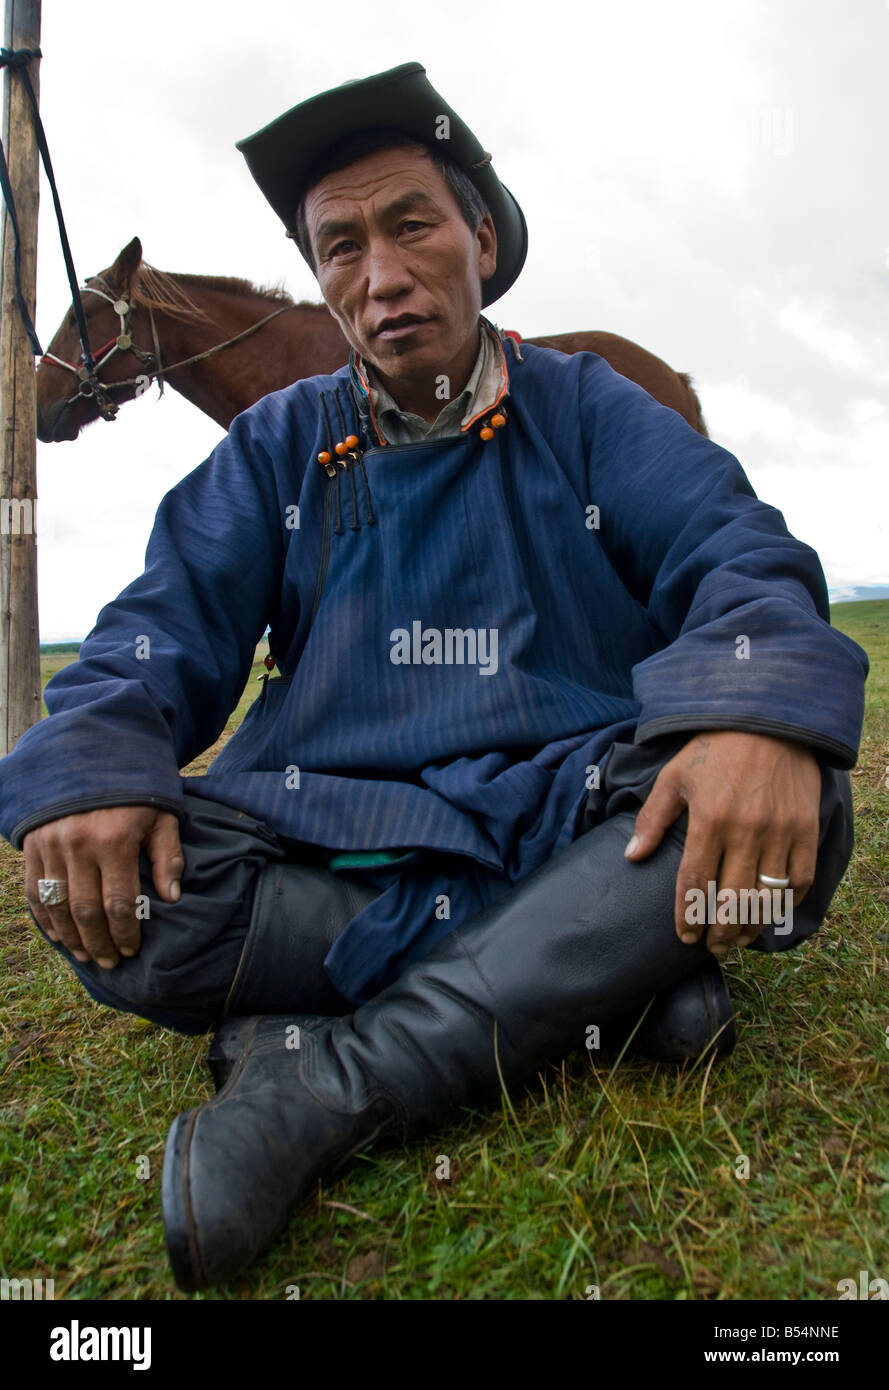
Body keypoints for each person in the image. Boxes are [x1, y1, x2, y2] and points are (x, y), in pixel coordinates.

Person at [0, 62, 867, 1291]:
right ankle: (600, 981)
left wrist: (752, 708)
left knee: (790, 801)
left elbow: (738, 554)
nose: (381, 274)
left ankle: (326, 1082)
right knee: (119, 900)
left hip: (575, 812)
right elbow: (156, 631)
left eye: (411, 225)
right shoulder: (277, 446)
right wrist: (95, 763)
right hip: (344, 832)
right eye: (341, 246)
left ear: (482, 240)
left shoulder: (588, 407)